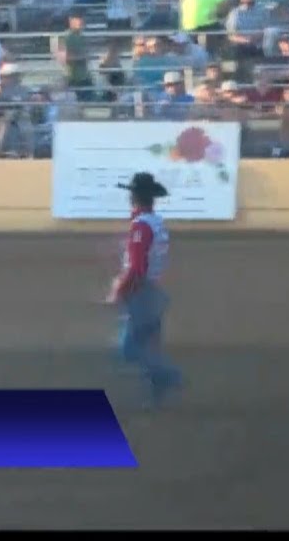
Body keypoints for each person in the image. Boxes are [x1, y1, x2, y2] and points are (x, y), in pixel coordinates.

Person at [103, 172, 184, 408]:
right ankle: (158, 392)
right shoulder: (156, 223)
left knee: (130, 348)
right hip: (153, 289)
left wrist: (120, 289)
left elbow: (137, 267)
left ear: (135, 197)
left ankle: (169, 377)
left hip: (142, 293)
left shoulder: (140, 227)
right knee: (149, 344)